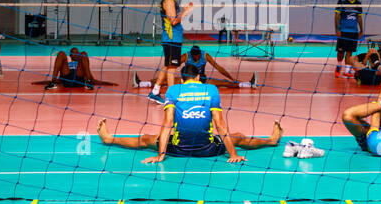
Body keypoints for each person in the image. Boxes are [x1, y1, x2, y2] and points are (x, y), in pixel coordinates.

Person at [99, 62, 280, 163]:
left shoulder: (173, 90)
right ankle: (271, 141)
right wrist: (233, 154)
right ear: (199, 77)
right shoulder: (211, 90)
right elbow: (219, 125)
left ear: (182, 78)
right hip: (208, 149)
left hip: (178, 149)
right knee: (239, 136)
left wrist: (161, 154)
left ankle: (109, 139)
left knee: (146, 138)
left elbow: (167, 124)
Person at [146, 0, 197, 104]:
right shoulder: (168, 1)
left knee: (167, 65)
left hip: (173, 38)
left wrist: (184, 11)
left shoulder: (172, 0)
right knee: (172, 67)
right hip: (171, 38)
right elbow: (173, 21)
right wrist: (186, 12)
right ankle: (171, 97)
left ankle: (155, 91)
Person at [136, 45, 256, 90]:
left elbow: (219, 68)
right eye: (194, 55)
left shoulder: (205, 55)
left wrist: (231, 77)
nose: (196, 57)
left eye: (197, 55)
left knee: (223, 83)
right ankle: (141, 83)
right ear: (192, 54)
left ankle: (247, 84)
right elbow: (172, 67)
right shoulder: (186, 56)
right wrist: (165, 74)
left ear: (199, 53)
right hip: (187, 80)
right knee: (165, 81)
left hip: (201, 79)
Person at [42, 47, 115, 89]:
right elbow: (60, 79)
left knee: (84, 53)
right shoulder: (67, 65)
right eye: (73, 53)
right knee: (61, 53)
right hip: (67, 79)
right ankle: (53, 82)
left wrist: (107, 83)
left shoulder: (82, 63)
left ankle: (88, 83)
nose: (75, 54)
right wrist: (44, 82)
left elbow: (92, 78)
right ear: (70, 55)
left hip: (79, 78)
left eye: (76, 53)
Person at [335, 0, 365, 75]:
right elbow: (337, 16)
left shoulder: (358, 3)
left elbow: (359, 18)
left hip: (353, 32)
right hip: (343, 31)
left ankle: (347, 70)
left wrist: (361, 30)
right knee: (341, 51)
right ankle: (338, 66)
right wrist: (337, 29)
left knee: (349, 51)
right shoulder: (342, 1)